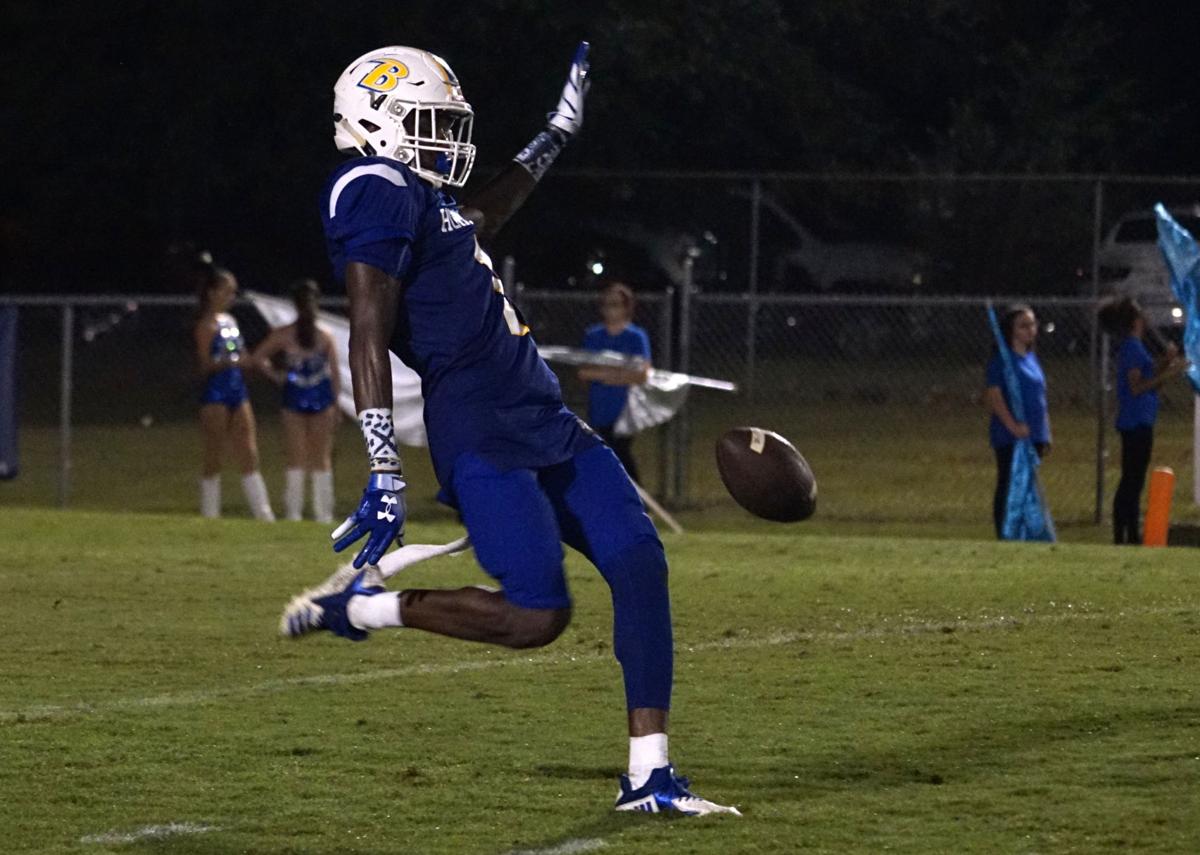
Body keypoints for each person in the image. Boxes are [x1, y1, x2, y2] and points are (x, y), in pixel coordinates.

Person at [282, 43, 739, 816]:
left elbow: (492, 203)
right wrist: (385, 466)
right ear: (372, 122)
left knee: (638, 559)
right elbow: (366, 324)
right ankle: (363, 606)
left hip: (546, 417)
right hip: (480, 431)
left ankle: (650, 774)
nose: (443, 139)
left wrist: (554, 134)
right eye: (426, 122)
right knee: (537, 615)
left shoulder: (428, 204)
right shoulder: (372, 185)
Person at [1098, 297, 1189, 544]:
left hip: (1141, 420)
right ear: (1136, 320)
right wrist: (1171, 371)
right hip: (1134, 422)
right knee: (1131, 479)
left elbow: (1148, 377)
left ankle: (1130, 532)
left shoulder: (1136, 347)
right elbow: (1137, 387)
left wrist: (1165, 363)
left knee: (1135, 479)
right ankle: (1124, 534)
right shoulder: (1132, 348)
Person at [251, 279, 341, 523]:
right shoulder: (326, 335)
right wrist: (334, 403)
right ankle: (323, 515)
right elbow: (335, 373)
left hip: (296, 396)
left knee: (296, 456)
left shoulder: (286, 334)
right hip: (318, 397)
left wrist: (279, 376)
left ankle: (295, 514)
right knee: (320, 458)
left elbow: (258, 358)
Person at [193, 265, 275, 521]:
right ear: (213, 293)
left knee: (249, 451)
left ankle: (264, 514)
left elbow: (241, 352)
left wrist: (256, 361)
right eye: (227, 291)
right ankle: (210, 513)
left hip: (237, 390)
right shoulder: (205, 326)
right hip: (216, 393)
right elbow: (206, 365)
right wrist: (233, 362)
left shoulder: (231, 321)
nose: (231, 297)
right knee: (214, 453)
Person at [984, 304, 1050, 538]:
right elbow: (994, 396)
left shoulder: (1031, 358)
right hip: (1010, 435)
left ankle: (1024, 531)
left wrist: (1045, 433)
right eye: (1023, 326)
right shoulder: (1002, 361)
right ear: (1011, 331)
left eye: (1033, 324)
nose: (1030, 330)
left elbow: (1039, 396)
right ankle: (1004, 531)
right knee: (1009, 483)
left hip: (1034, 434)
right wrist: (1013, 426)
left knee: (1027, 487)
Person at [578, 281, 652, 484]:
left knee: (620, 453)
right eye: (607, 304)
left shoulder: (635, 337)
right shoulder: (594, 335)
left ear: (627, 307)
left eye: (616, 304)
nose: (611, 309)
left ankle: (638, 500)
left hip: (625, 409)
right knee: (604, 455)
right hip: (600, 406)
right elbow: (584, 372)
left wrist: (609, 375)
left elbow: (643, 374)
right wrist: (614, 373)